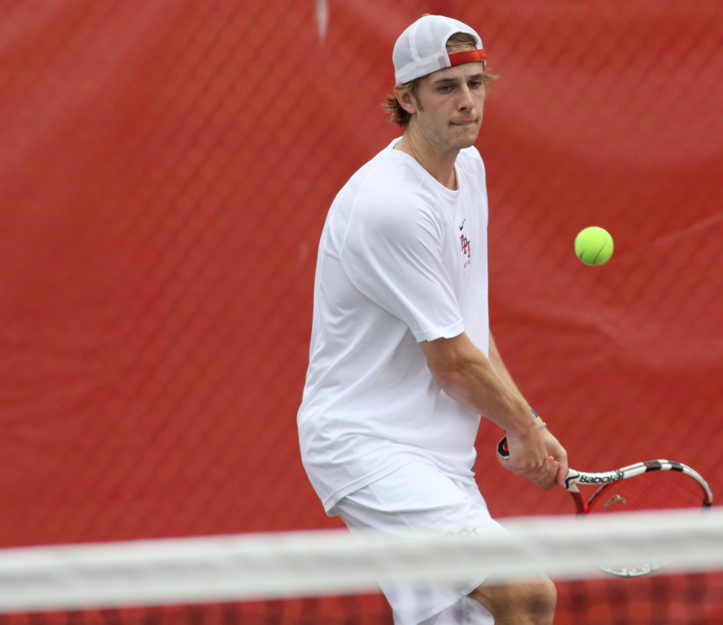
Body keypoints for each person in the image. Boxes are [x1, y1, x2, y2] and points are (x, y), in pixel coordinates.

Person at [297, 14, 568, 625]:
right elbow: (451, 360)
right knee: (525, 593)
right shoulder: (391, 206)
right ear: (406, 99)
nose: (467, 102)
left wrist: (529, 423)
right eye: (446, 87)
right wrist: (524, 427)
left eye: (476, 83)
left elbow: (468, 323)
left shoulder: (467, 169)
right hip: (367, 445)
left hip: (436, 454)